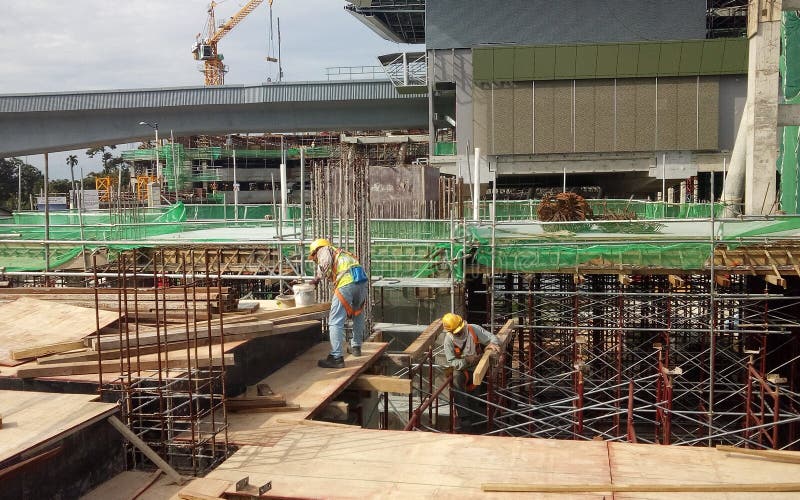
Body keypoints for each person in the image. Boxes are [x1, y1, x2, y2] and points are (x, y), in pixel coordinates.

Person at [308, 238, 369, 369]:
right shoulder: (343, 253)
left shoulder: (324, 249)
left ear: (316, 250)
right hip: (362, 282)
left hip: (347, 283)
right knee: (358, 314)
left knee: (335, 320)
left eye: (314, 256)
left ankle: (336, 357)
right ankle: (356, 347)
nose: (315, 259)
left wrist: (317, 279)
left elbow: (324, 262)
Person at [442, 312, 500, 431]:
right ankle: (464, 417)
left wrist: (492, 344)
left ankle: (476, 419)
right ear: (451, 332)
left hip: (476, 368)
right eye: (456, 332)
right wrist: (466, 361)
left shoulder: (473, 329)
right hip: (460, 369)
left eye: (460, 329)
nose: (459, 332)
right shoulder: (448, 340)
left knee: (474, 397)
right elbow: (451, 362)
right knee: (456, 379)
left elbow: (492, 337)